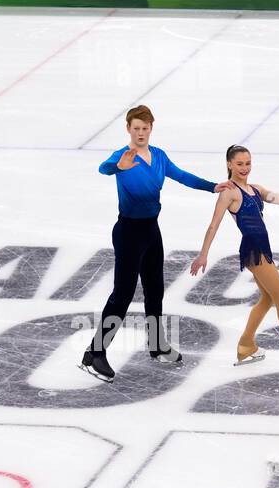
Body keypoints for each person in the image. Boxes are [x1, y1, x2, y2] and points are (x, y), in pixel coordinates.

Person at [80, 105, 233, 383]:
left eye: (145, 128)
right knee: (123, 294)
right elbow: (104, 169)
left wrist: (213, 186)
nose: (140, 133)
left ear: (151, 128)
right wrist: (118, 167)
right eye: (136, 128)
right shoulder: (123, 156)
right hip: (128, 232)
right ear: (128, 128)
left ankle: (156, 344)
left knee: (155, 290)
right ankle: (95, 353)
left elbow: (182, 176)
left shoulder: (159, 156)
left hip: (151, 231)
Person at [189, 145, 279, 370]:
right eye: (240, 164)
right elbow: (214, 224)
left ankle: (246, 346)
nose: (245, 168)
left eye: (248, 163)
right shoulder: (229, 192)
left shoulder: (256, 189)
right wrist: (203, 254)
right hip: (254, 249)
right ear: (229, 165)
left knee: (268, 299)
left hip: (263, 248)